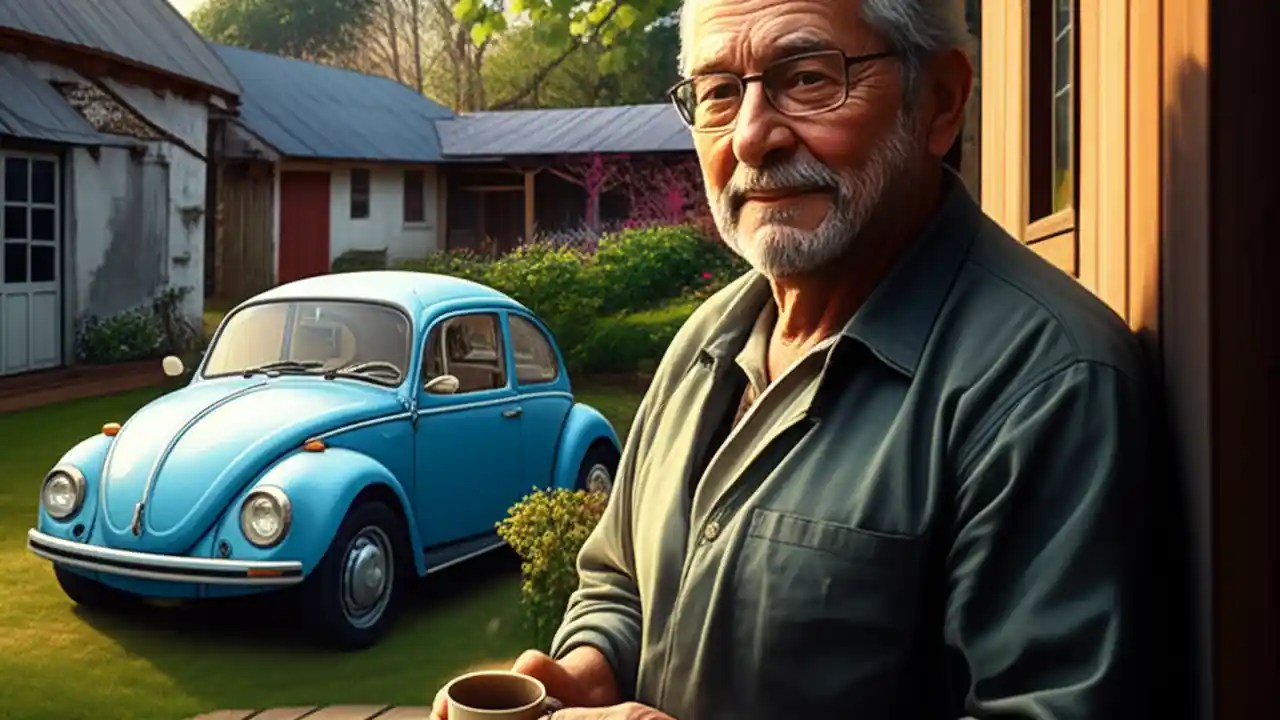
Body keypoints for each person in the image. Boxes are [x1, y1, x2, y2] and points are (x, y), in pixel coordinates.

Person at [433, 0, 1158, 717]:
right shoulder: (706, 339)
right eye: (719, 92)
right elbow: (619, 578)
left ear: (939, 101)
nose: (752, 137)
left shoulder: (1045, 385)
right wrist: (589, 667)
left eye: (809, 78)